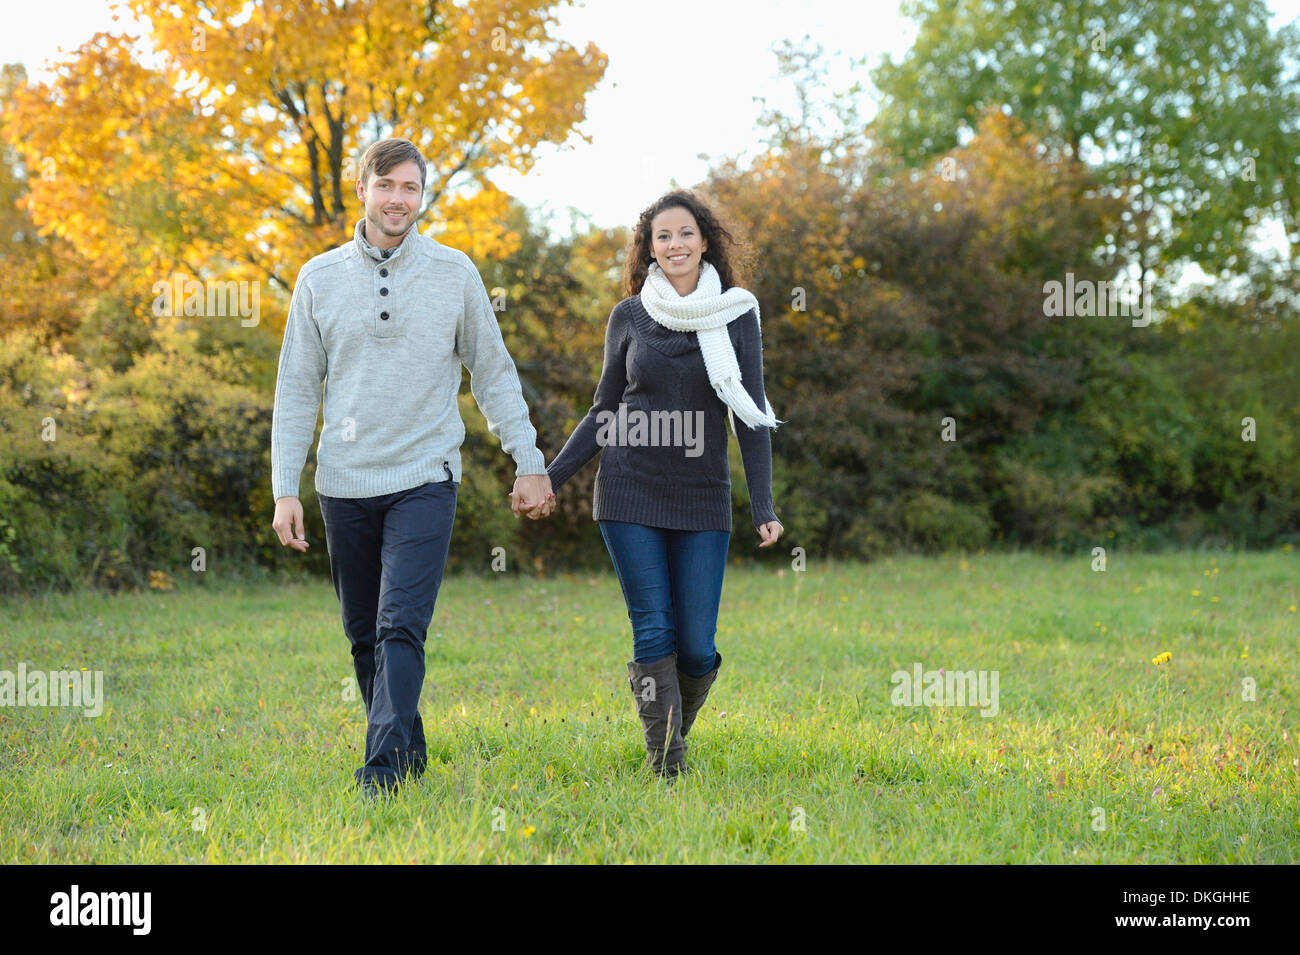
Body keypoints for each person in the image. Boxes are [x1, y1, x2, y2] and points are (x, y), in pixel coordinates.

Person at [269, 137, 555, 797]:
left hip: (426, 477)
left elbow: (493, 372)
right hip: (344, 483)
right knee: (365, 636)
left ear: (421, 197)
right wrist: (286, 487)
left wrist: (529, 459)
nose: (398, 199)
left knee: (400, 622)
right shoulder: (318, 278)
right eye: (386, 185)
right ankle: (409, 749)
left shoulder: (454, 274)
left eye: (410, 188)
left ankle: (381, 773)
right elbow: (296, 391)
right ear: (362, 190)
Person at [540, 189, 783, 779]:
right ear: (649, 250)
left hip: (702, 494)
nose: (674, 245)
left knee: (697, 643)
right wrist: (548, 479)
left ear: (706, 241)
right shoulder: (629, 317)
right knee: (653, 624)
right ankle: (666, 760)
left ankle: (672, 729)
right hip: (629, 489)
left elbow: (749, 411)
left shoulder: (736, 312)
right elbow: (604, 411)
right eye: (662, 238)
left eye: (684, 234)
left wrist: (763, 506)